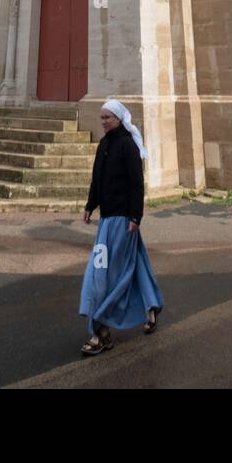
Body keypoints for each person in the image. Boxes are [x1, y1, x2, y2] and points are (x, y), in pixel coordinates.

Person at [78, 97, 164, 355]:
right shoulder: (104, 144)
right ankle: (151, 305)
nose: (103, 121)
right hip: (108, 219)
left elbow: (137, 184)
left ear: (119, 118)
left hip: (124, 220)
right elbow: (98, 179)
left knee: (107, 273)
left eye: (107, 117)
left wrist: (135, 218)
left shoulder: (127, 146)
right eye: (101, 117)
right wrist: (90, 205)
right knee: (133, 265)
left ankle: (101, 330)